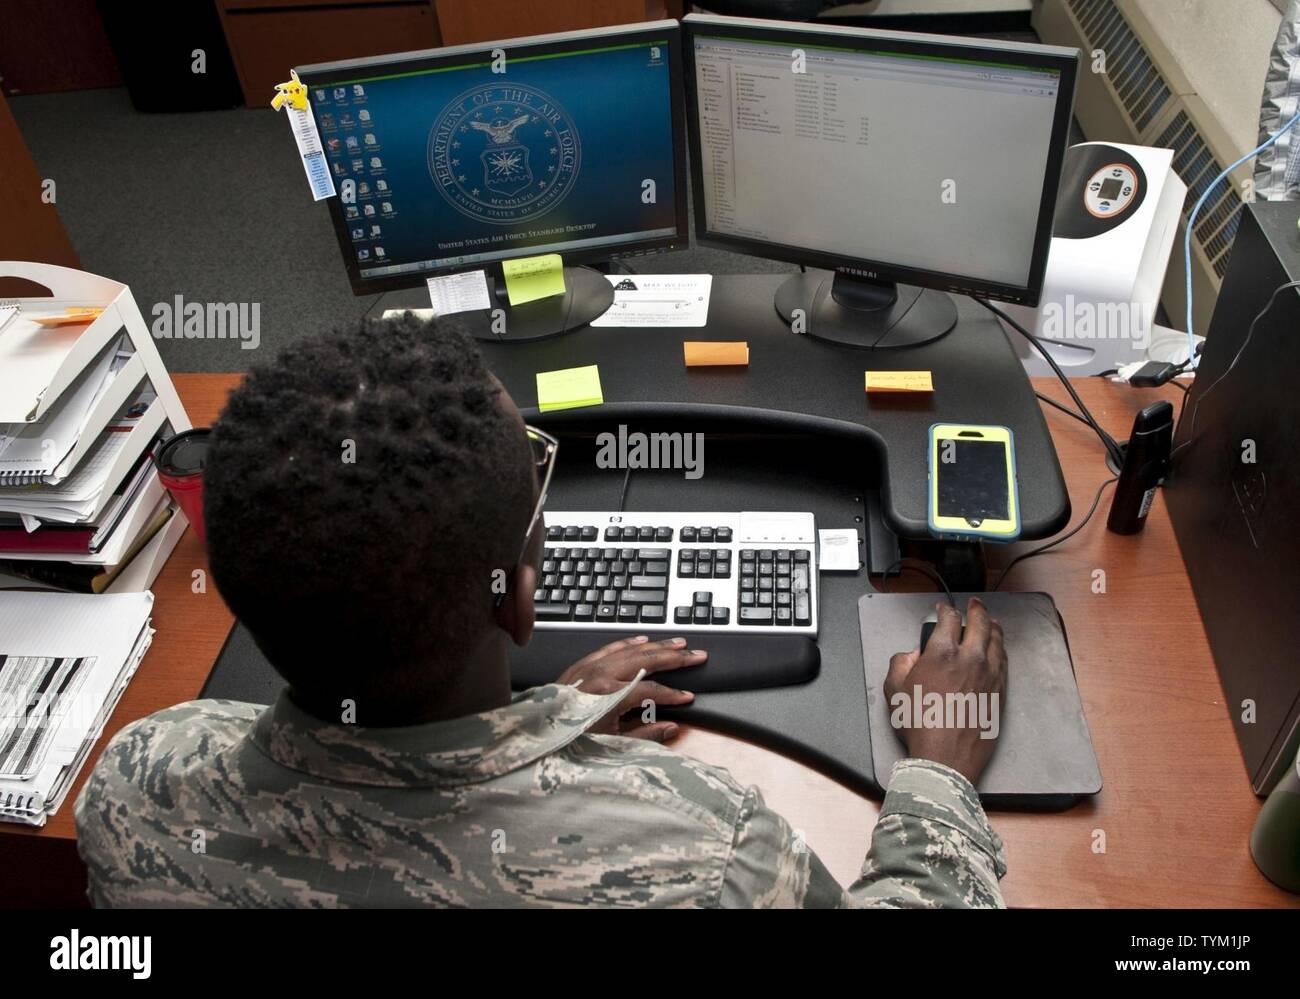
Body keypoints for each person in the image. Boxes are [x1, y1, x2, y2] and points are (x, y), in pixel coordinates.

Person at [74, 314, 1008, 908]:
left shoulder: (136, 785)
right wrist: (939, 774)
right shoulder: (700, 853)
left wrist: (549, 713)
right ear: (523, 598)